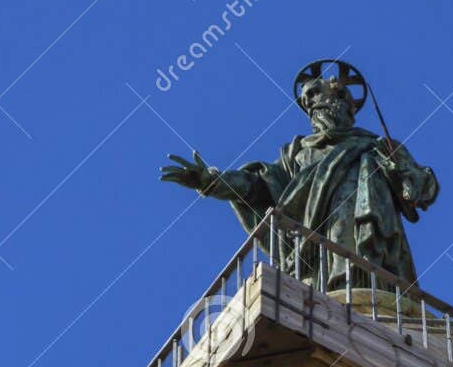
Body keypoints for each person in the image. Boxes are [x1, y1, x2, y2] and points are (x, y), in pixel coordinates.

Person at [161, 59, 438, 288]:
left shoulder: (376, 146)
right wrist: (212, 182)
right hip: (316, 243)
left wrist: (405, 177)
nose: (311, 104)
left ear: (340, 97)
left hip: (376, 237)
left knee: (371, 280)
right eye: (306, 100)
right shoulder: (296, 151)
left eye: (316, 94)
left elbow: (422, 187)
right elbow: (256, 186)